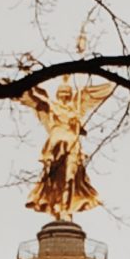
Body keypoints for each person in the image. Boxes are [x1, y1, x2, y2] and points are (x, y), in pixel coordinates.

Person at [19, 76, 116, 220]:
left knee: (70, 178)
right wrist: (24, 81)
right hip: (55, 147)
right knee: (52, 181)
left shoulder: (76, 108)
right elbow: (33, 95)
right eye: (62, 94)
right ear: (58, 95)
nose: (64, 97)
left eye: (67, 94)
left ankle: (65, 209)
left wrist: (79, 127)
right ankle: (55, 207)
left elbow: (79, 127)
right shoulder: (50, 106)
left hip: (72, 146)